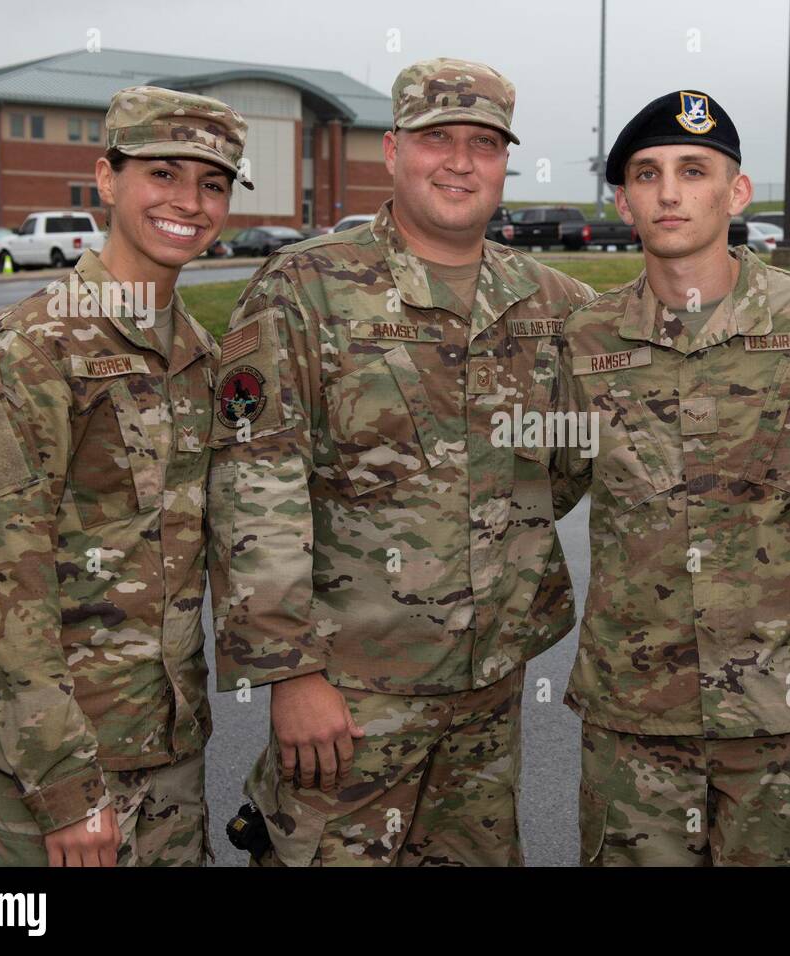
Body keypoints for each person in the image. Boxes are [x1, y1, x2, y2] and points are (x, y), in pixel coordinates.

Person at [205, 58, 595, 866]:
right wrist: (291, 673)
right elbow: (255, 487)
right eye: (436, 139)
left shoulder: (550, 303)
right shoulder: (306, 289)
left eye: (484, 144)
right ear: (391, 151)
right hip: (348, 698)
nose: (460, 161)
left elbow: (580, 447)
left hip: (488, 691)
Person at [0, 86, 249, 866]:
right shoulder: (30, 352)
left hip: (166, 754)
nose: (190, 202)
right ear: (106, 179)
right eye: (164, 174)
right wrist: (67, 790)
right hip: (45, 776)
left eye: (213, 184)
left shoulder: (198, 358)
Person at [551, 90, 790, 866]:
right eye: (647, 174)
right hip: (633, 712)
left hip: (782, 713)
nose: (670, 192)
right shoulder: (584, 337)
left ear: (737, 191)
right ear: (623, 199)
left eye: (694, 169)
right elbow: (533, 489)